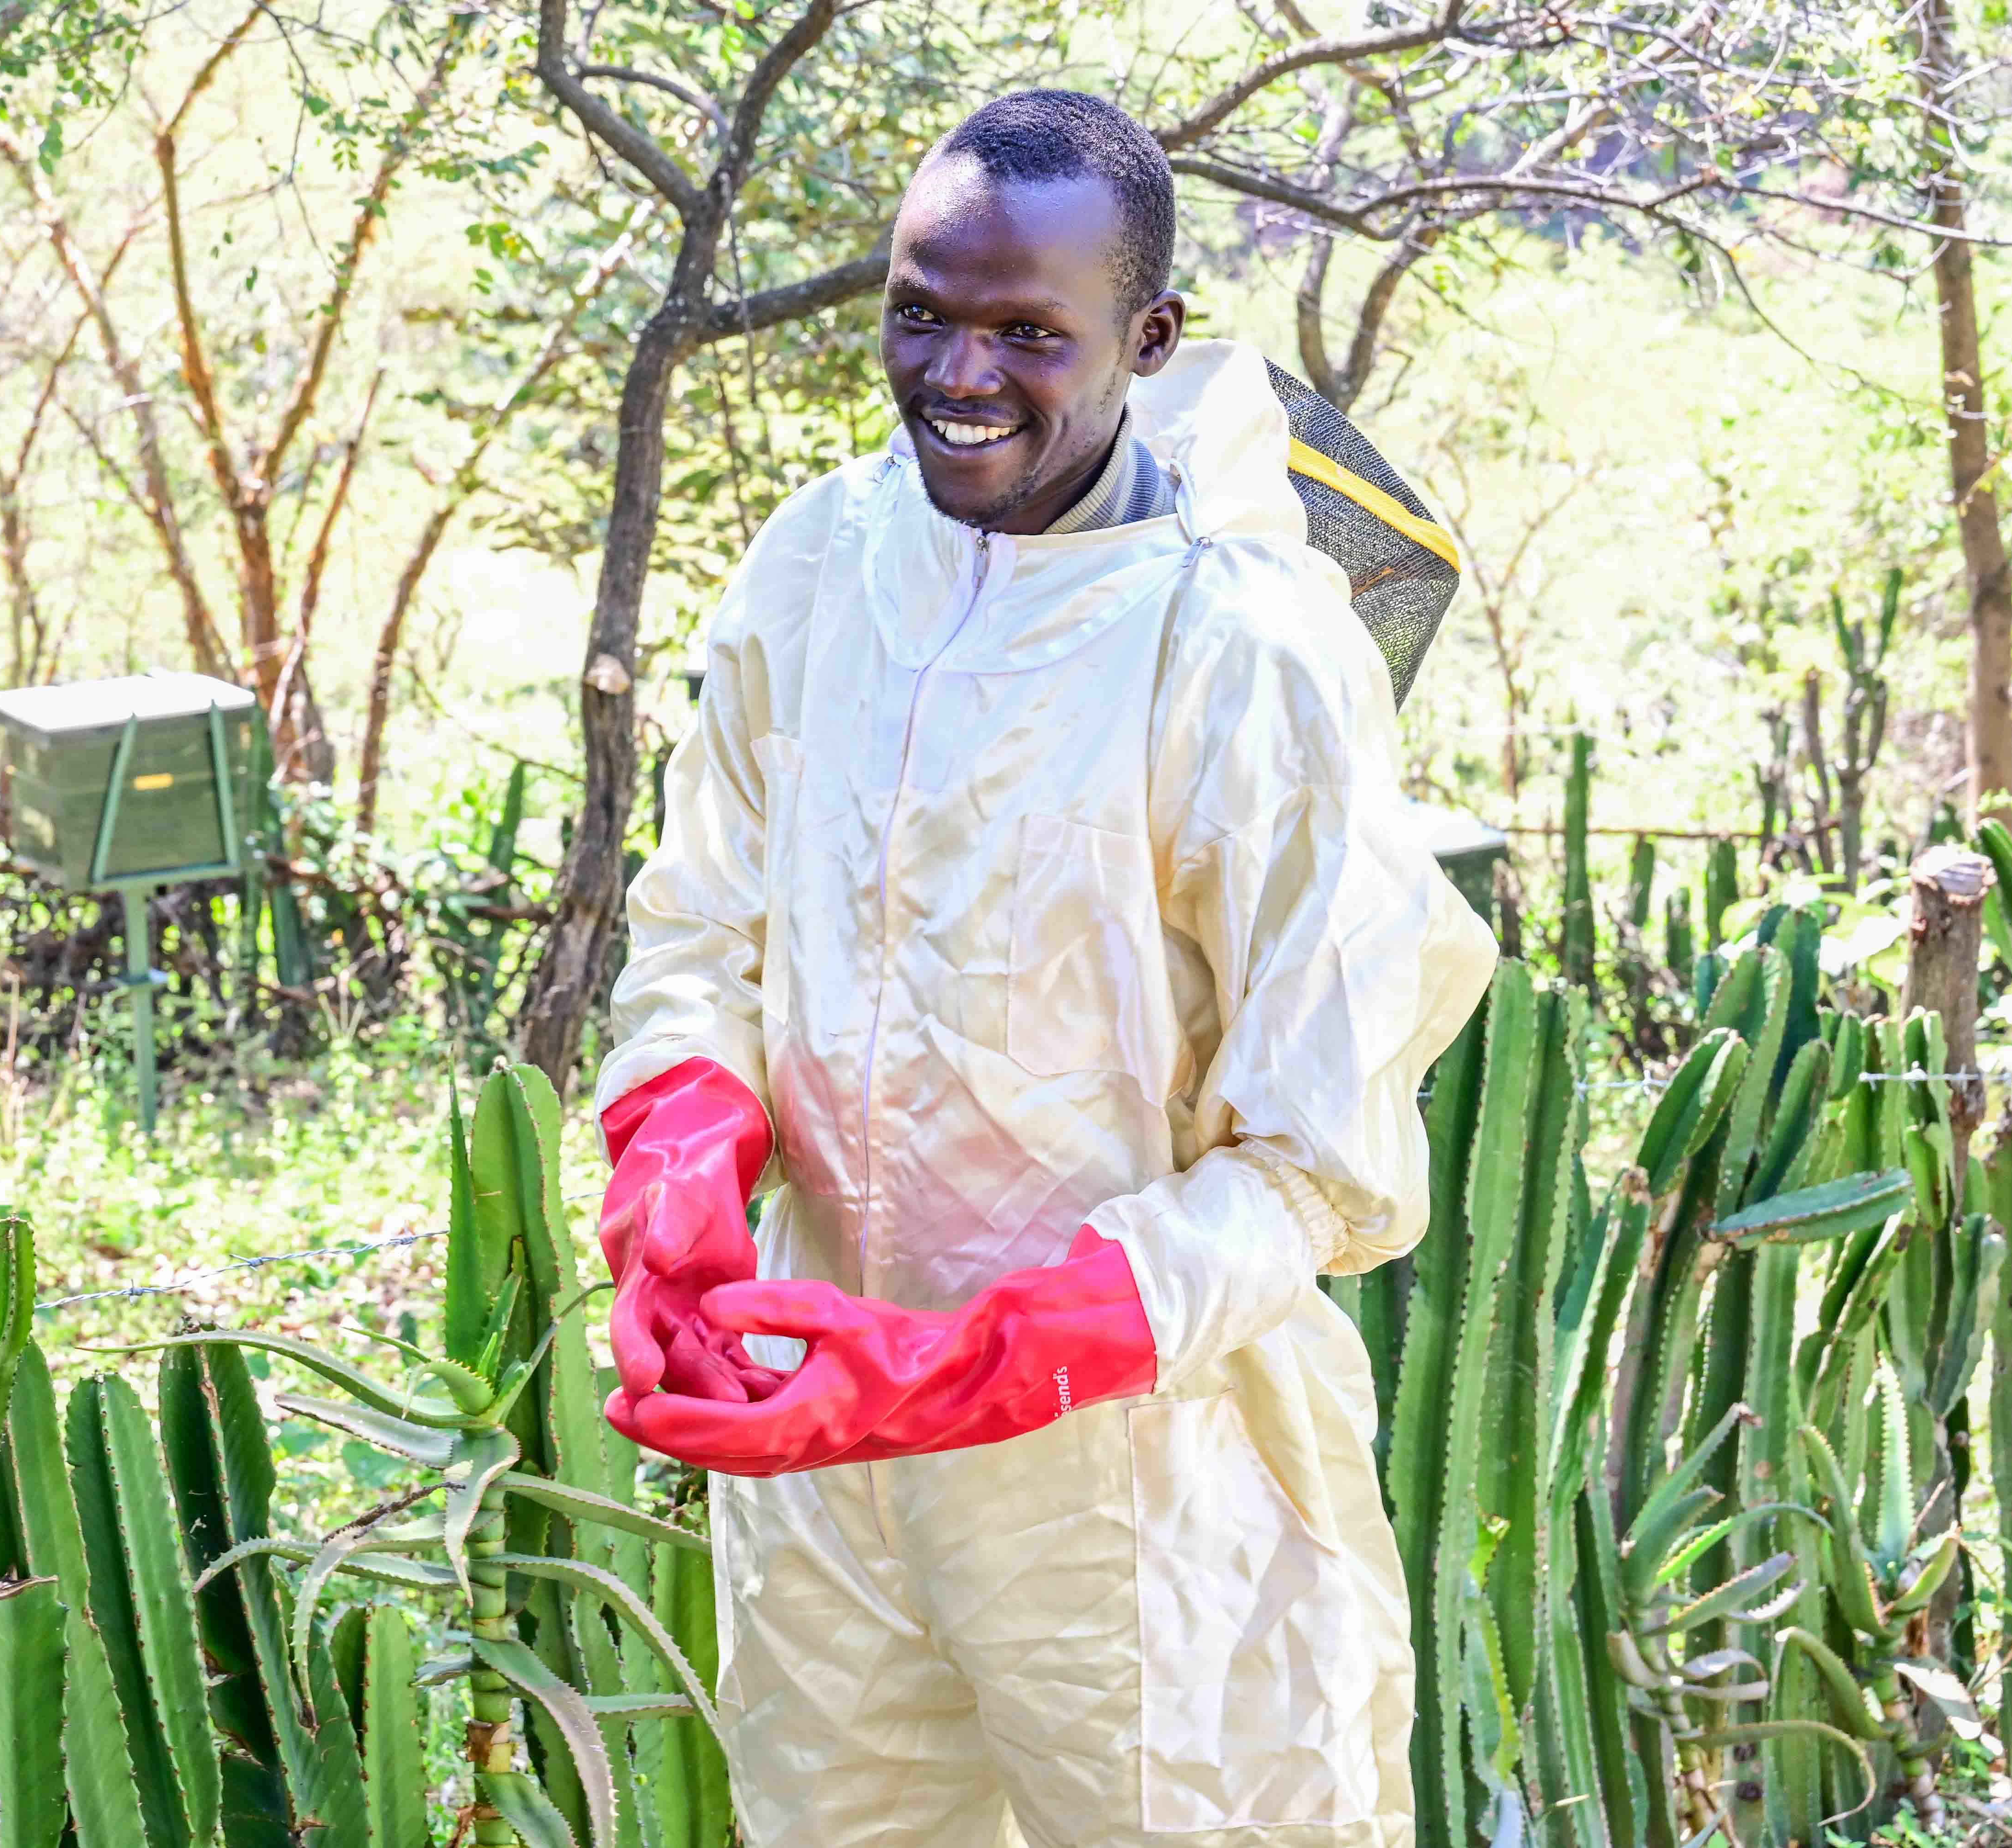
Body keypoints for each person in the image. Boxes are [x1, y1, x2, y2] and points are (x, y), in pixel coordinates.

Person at [590, 89, 1496, 1848]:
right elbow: (706, 924)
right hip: (824, 1455)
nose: (961, 374)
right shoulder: (821, 559)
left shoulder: (1246, 649)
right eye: (922, 312)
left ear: (1147, 339)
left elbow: (1317, 1164)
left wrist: (983, 1359)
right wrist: (685, 1158)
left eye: (1030, 333)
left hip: (1142, 1489)